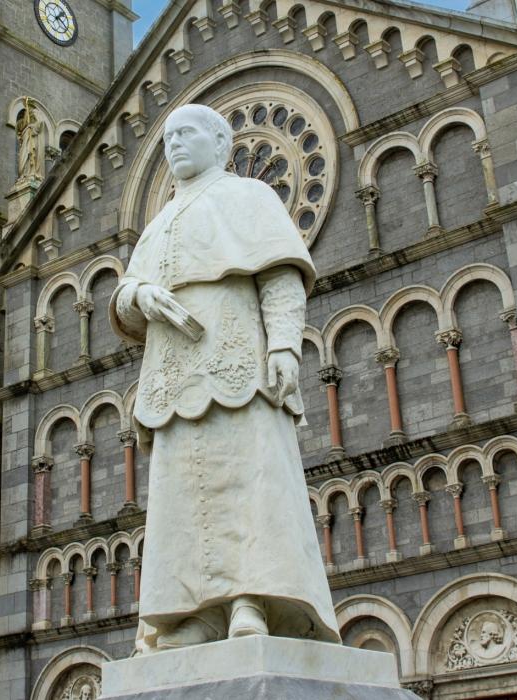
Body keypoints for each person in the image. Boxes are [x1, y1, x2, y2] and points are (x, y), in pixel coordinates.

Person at [108, 104, 340, 652]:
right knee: (183, 497)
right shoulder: (159, 222)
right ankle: (195, 612)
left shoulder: (249, 197)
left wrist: (285, 344)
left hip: (237, 362)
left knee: (249, 483)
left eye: (187, 134)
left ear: (220, 142)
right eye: (167, 137)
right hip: (171, 377)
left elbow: (282, 273)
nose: (174, 145)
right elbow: (124, 298)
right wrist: (141, 295)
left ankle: (249, 603)